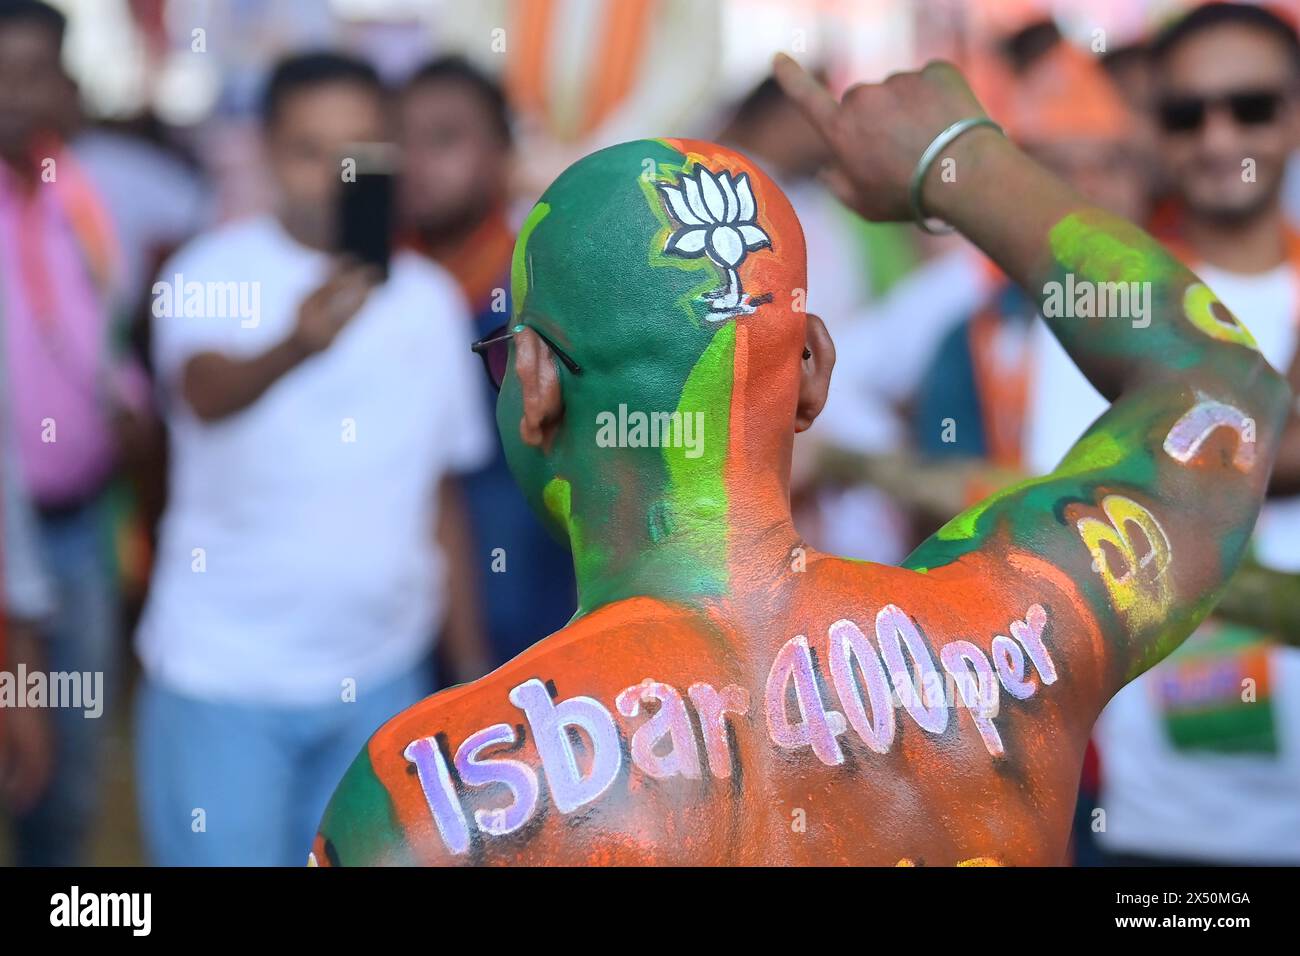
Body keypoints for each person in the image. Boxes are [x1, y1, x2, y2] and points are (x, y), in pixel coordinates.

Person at [312, 54, 1289, 866]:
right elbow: (1223, 389)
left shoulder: (428, 802)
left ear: (533, 384)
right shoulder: (1022, 629)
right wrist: (958, 161)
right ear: (812, 370)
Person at [135, 51, 493, 866]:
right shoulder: (210, 273)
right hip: (222, 681)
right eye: (310, 149)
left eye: (361, 148)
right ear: (264, 152)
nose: (338, 175)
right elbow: (203, 389)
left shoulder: (430, 302)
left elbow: (440, 499)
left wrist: (469, 674)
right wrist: (294, 346)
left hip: (382, 683)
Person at [1022, 3, 1300, 865]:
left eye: (1251, 106)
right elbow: (1097, 513)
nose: (1221, 138)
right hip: (1153, 826)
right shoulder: (1103, 307)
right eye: (1188, 113)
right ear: (1155, 129)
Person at [0, 0, 147, 866]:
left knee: (69, 758)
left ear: (68, 85)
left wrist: (125, 395)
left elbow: (104, 331)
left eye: (32, 74)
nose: (14, 96)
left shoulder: (86, 196)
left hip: (79, 526)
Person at [398, 56, 576, 667]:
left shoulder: (549, 290)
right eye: (402, 140)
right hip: (402, 634)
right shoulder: (370, 296)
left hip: (533, 621)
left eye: (445, 138)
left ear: (504, 153)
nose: (417, 162)